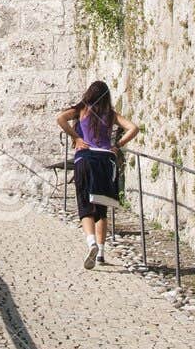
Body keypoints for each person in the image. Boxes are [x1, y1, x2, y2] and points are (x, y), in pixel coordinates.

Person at [56, 82, 139, 269]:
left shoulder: (81, 109)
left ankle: (91, 242)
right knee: (101, 206)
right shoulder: (111, 114)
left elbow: (60, 118)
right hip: (105, 160)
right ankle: (101, 252)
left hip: (85, 157)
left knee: (85, 203)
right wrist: (117, 145)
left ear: (89, 94)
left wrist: (76, 137)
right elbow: (134, 128)